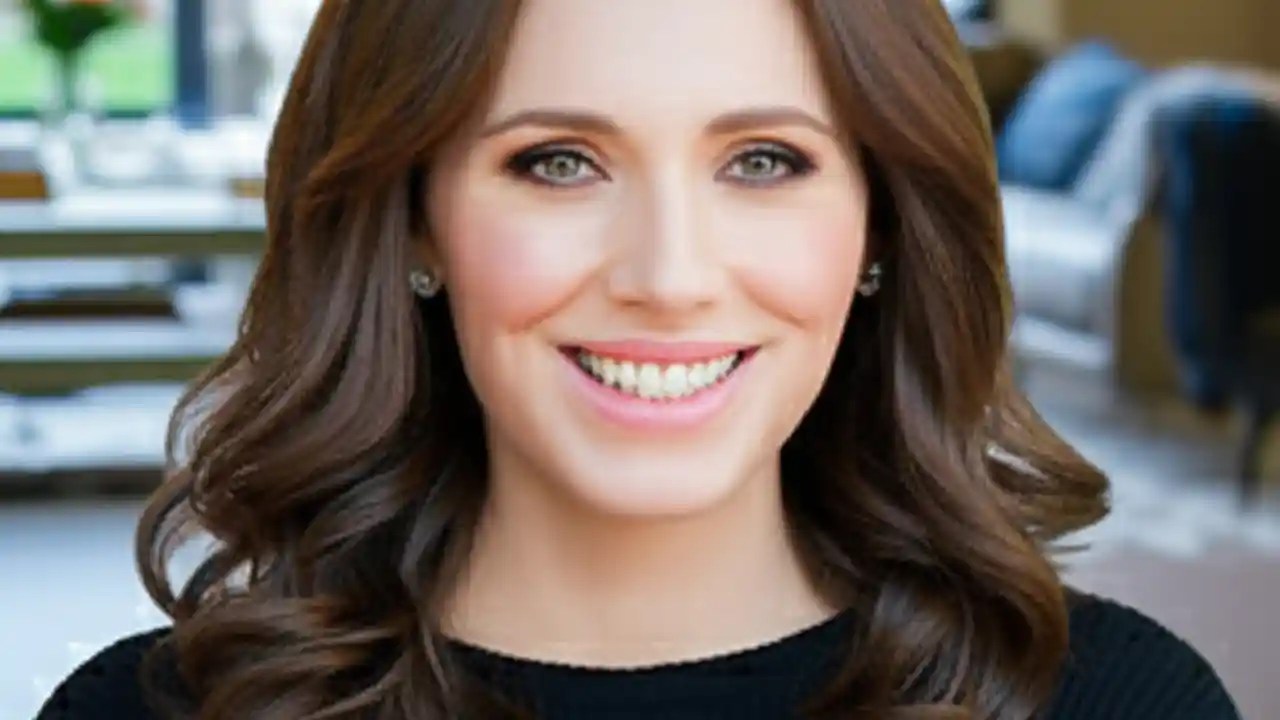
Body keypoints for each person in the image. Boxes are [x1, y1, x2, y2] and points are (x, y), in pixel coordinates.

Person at [39, 0, 1241, 718]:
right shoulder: (152, 716)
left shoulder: (1114, 706)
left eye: (763, 161)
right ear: (413, 220)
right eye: (557, 161)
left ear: (878, 225)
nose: (668, 276)